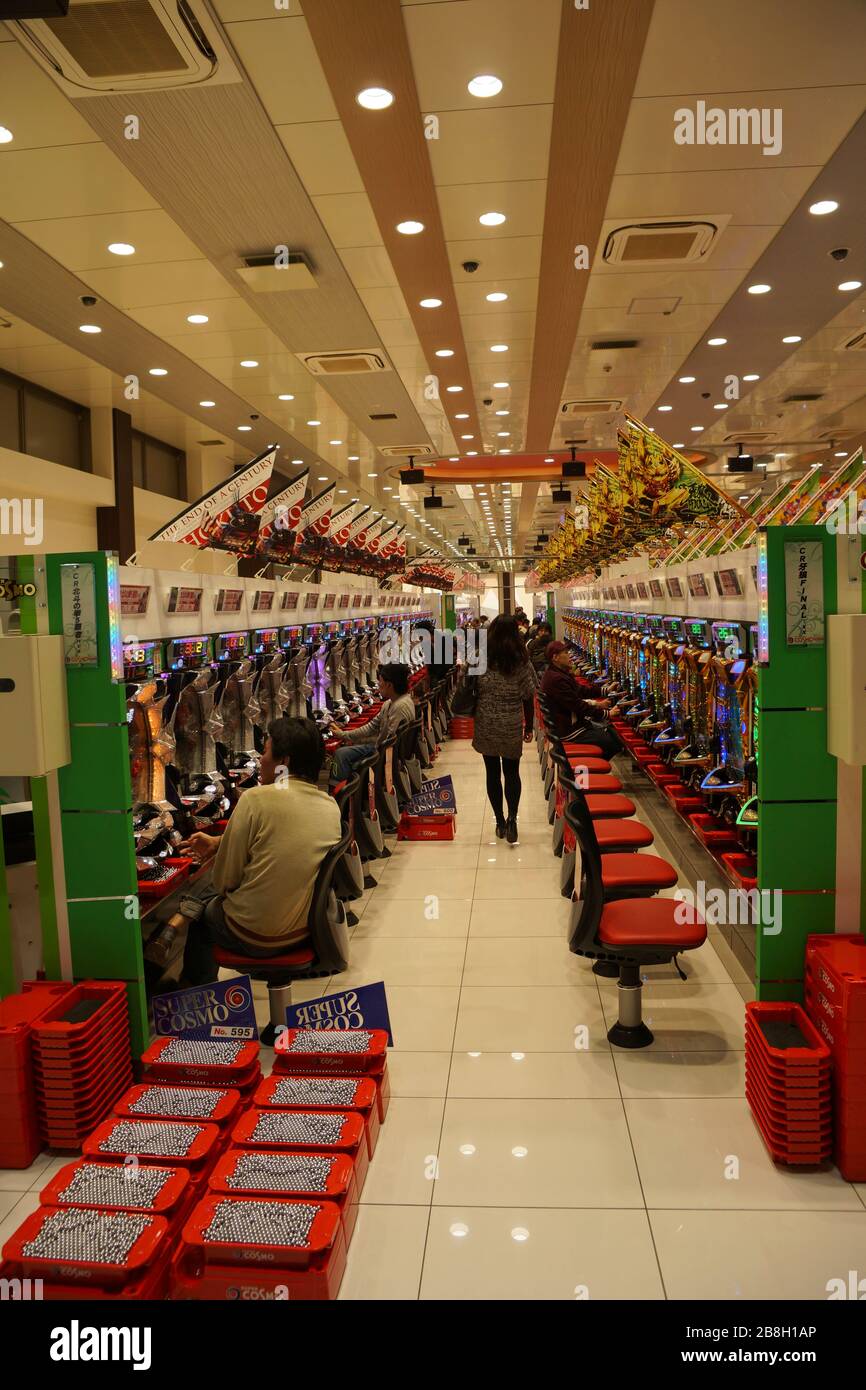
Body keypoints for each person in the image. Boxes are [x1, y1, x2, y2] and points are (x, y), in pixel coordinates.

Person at [174, 717, 342, 986]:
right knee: (204, 900)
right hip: (305, 930)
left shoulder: (255, 799)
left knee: (201, 916)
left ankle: (195, 1001)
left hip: (256, 935)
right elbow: (284, 839)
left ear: (283, 763)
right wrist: (221, 843)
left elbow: (224, 881)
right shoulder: (330, 806)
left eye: (264, 751)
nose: (260, 760)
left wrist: (225, 854)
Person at [471, 614, 536, 844]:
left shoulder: (480, 657)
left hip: (486, 720)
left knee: (492, 773)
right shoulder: (521, 659)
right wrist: (529, 726)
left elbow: (471, 688)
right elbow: (529, 696)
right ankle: (512, 819)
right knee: (512, 772)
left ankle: (498, 821)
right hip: (510, 722)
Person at [329, 661, 415, 784]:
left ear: (389, 685)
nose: (378, 684)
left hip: (386, 755)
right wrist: (344, 734)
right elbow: (371, 727)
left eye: (380, 681)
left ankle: (342, 796)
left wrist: (352, 739)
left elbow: (389, 742)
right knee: (344, 750)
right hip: (382, 749)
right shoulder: (391, 703)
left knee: (341, 754)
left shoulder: (400, 707)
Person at [540, 641, 618, 757]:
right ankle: (589, 767)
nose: (570, 655)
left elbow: (581, 690)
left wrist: (605, 690)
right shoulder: (556, 679)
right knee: (612, 742)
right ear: (555, 657)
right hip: (568, 729)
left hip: (569, 723)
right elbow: (578, 706)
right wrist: (606, 714)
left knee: (610, 732)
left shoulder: (558, 674)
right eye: (566, 653)